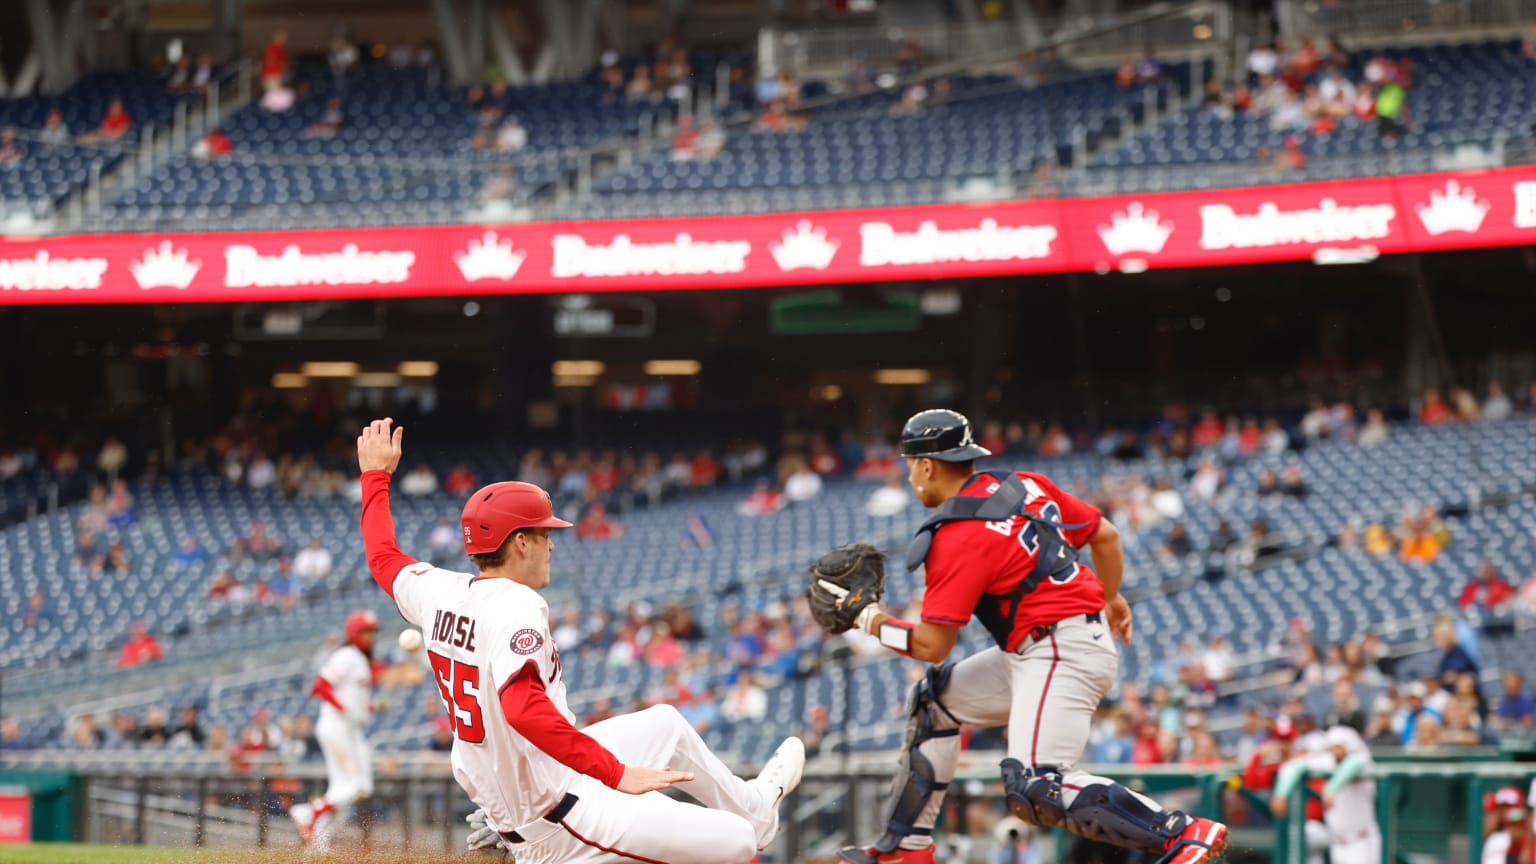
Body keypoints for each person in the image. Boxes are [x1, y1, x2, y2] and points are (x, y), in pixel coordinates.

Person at [351, 417, 804, 864]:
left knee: (666, 725)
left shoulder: (438, 591)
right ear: (521, 542)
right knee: (738, 842)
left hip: (530, 783)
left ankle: (756, 809)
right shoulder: (516, 605)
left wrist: (375, 476)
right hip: (559, 822)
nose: (551, 545)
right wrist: (616, 774)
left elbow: (382, 556)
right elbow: (523, 709)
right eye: (545, 534)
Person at [834, 409, 1227, 864]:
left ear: (926, 466)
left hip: (1058, 651)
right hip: (1047, 646)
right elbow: (1106, 535)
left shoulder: (957, 534)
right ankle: (906, 850)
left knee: (1037, 785)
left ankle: (1183, 834)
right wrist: (1110, 596)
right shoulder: (1025, 484)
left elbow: (931, 645)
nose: (908, 476)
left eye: (909, 465)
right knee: (934, 703)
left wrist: (867, 619)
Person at [288, 609, 380, 850]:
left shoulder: (360, 659)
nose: (370, 636)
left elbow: (352, 696)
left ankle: (317, 845)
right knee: (350, 787)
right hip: (337, 726)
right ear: (354, 632)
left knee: (361, 788)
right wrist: (344, 708)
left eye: (372, 632)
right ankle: (307, 812)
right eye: (366, 631)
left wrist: (368, 706)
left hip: (352, 729)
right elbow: (319, 686)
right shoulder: (346, 655)